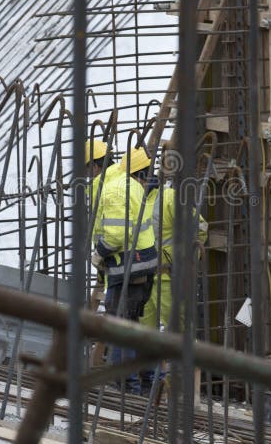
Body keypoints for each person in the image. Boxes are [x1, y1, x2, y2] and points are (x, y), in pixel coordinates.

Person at [138, 146, 208, 394]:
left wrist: (184, 260)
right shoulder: (137, 201)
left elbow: (199, 228)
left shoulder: (169, 199)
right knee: (144, 335)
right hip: (144, 280)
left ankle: (185, 389)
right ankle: (149, 388)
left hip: (169, 279)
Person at [90, 146, 158, 394]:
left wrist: (100, 252)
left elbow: (116, 234)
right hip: (142, 263)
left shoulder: (115, 189)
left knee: (119, 325)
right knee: (131, 324)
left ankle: (127, 385)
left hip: (129, 265)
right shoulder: (130, 186)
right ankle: (149, 380)